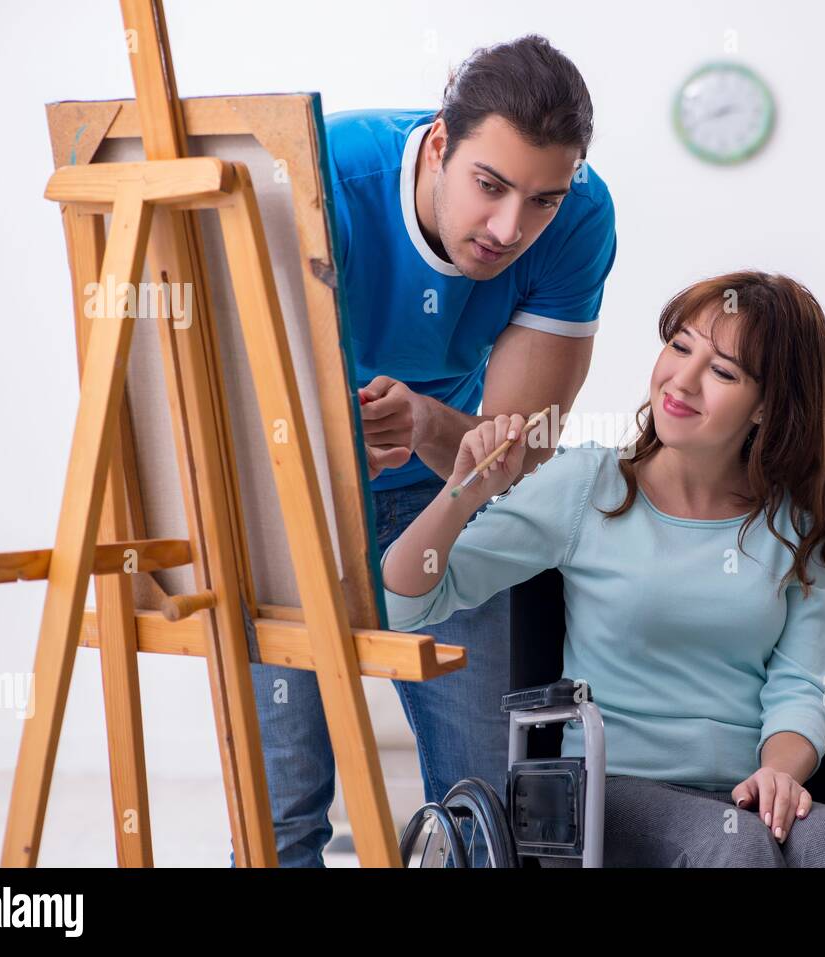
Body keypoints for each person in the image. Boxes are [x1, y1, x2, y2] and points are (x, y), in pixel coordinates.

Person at [245, 35, 617, 866]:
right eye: (490, 186)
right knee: (280, 813)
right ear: (442, 144)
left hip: (446, 506)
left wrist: (423, 425)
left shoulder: (581, 218)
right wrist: (339, 429)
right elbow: (235, 393)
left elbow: (520, 449)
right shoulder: (324, 175)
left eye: (541, 199)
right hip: (288, 494)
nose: (509, 228)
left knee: (486, 807)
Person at [381, 270, 825, 867]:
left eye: (722, 372)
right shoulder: (586, 486)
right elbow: (408, 602)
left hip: (742, 792)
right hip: (607, 793)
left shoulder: (803, 527)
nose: (683, 381)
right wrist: (462, 491)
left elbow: (800, 685)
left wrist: (777, 773)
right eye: (680, 346)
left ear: (768, 407)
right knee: (736, 844)